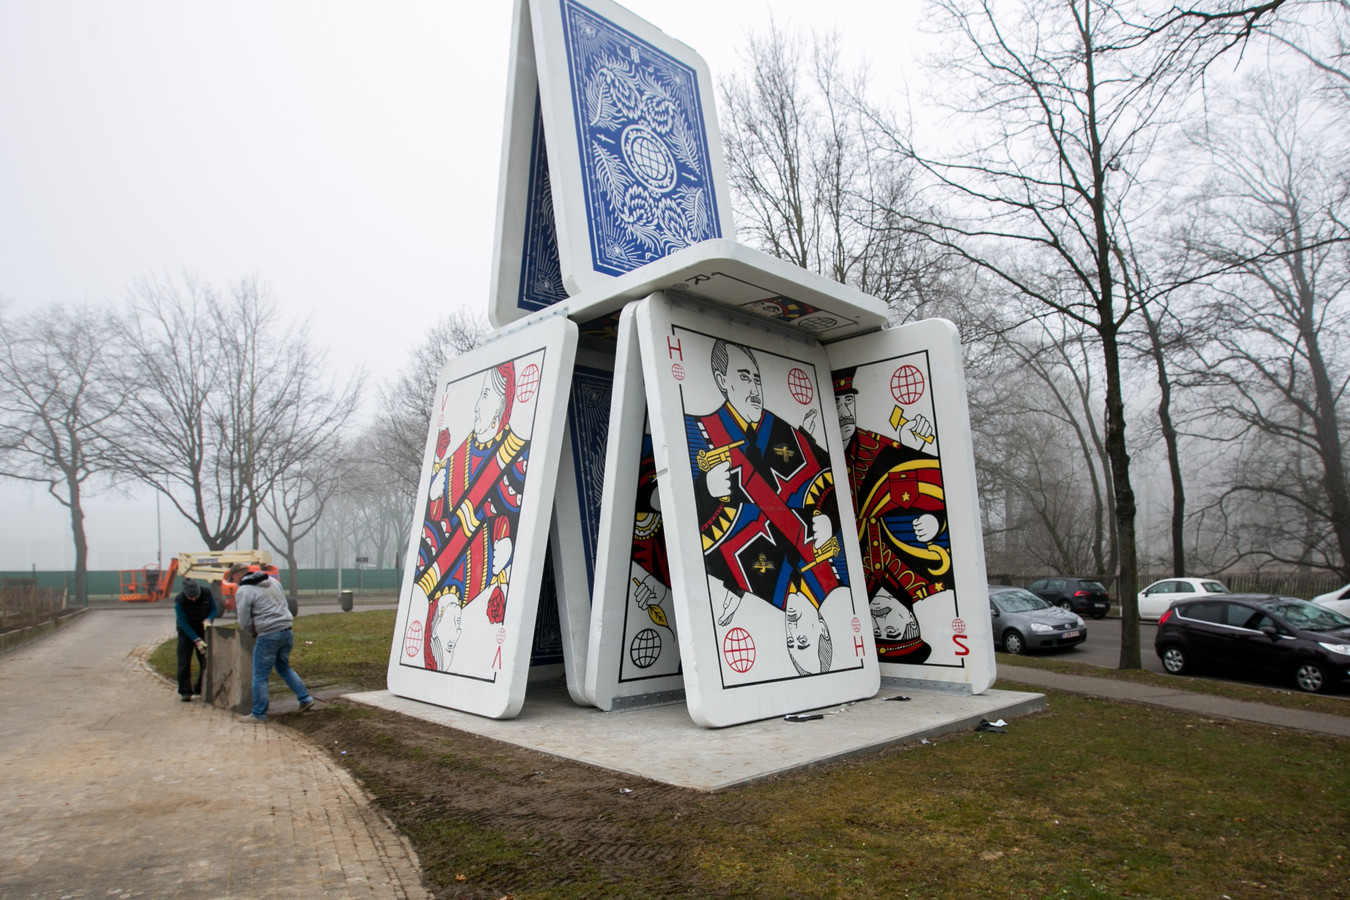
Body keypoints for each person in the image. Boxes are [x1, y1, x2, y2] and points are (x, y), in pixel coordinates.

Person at [685, 339, 846, 675]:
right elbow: (656, 493)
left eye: (757, 379)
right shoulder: (697, 432)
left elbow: (832, 481)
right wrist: (705, 488)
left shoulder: (783, 430)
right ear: (721, 380)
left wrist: (704, 493)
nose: (755, 387)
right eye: (744, 377)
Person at [407, 362, 529, 672]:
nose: (476, 408)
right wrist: (503, 543)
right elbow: (502, 526)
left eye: (485, 395)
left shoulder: (427, 572)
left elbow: (499, 510)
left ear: (502, 405)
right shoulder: (471, 588)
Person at [830, 367, 948, 665]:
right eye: (894, 633)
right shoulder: (927, 579)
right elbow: (939, 497)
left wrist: (909, 450)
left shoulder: (847, 591)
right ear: (912, 621)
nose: (882, 623)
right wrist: (936, 523)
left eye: (848, 402)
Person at [230, 563, 314, 723]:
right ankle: (305, 699)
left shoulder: (244, 590)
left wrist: (251, 631)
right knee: (284, 668)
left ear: (236, 576)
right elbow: (283, 603)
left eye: (233, 580)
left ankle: (258, 714)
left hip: (268, 634)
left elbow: (243, 618)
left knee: (260, 675)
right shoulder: (273, 582)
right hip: (286, 630)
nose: (235, 583)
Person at [173, 578, 215, 702]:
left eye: (195, 596)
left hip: (202, 629)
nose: (193, 599)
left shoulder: (207, 593)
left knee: (205, 660)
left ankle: (201, 687)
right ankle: (185, 691)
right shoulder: (180, 601)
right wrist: (195, 640)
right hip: (186, 632)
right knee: (184, 661)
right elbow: (183, 622)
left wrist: (209, 619)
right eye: (190, 598)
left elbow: (214, 608)